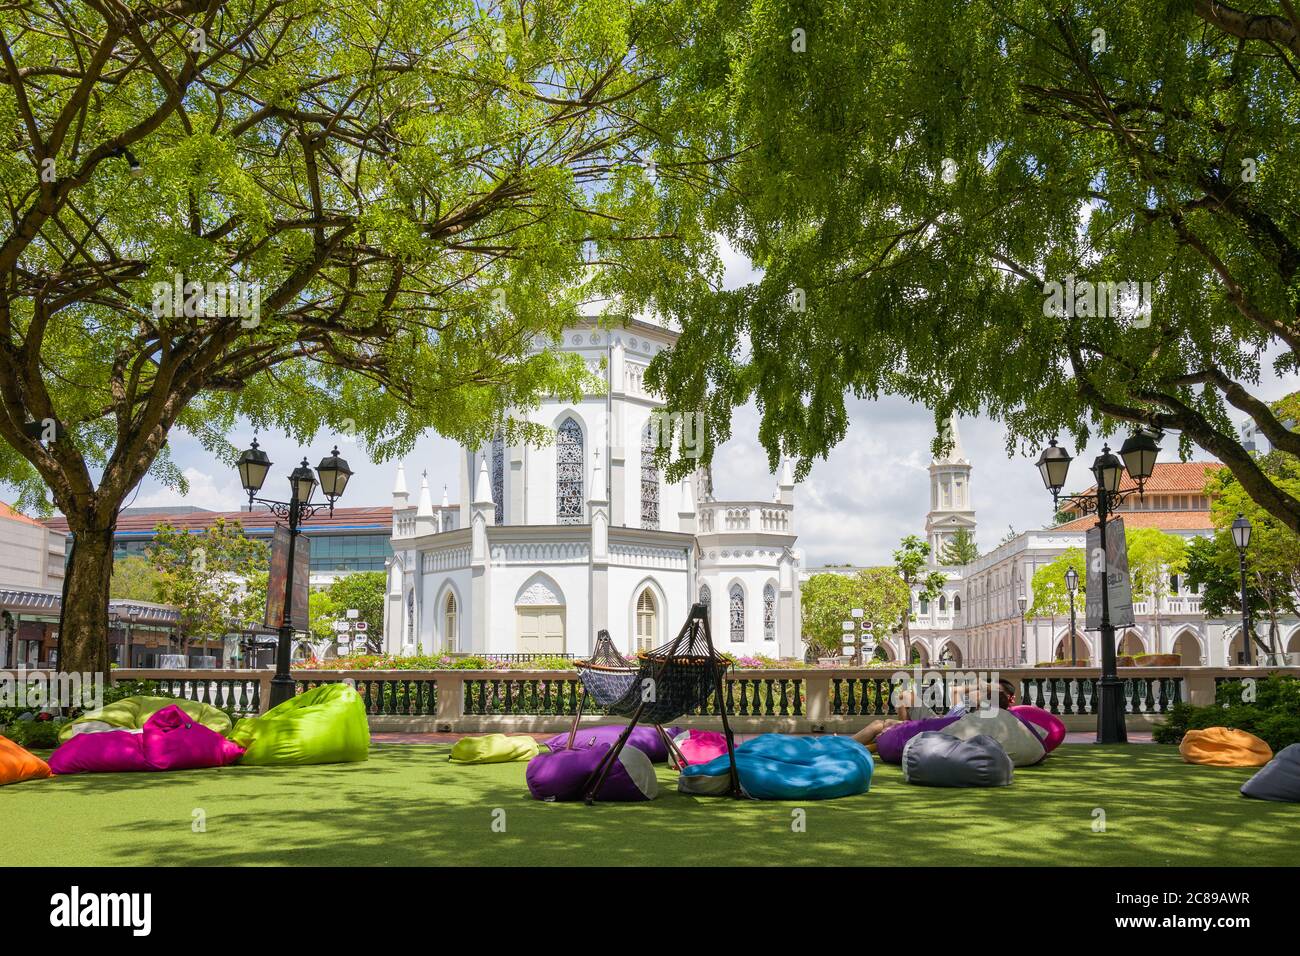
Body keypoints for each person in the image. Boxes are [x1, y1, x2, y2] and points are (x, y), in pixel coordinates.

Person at [850, 678, 1018, 746]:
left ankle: (846, 744)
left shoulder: (992, 711)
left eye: (996, 692)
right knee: (905, 696)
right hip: (937, 720)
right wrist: (982, 686)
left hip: (942, 728)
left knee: (881, 724)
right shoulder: (976, 698)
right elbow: (954, 690)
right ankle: (899, 733)